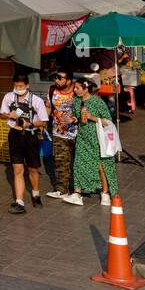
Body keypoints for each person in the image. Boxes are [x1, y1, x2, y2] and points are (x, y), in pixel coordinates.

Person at [0, 73, 49, 214]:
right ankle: (19, 202)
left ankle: (35, 194)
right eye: (15, 86)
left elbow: (44, 121)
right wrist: (9, 115)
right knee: (17, 169)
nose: (18, 88)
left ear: (27, 85)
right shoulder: (8, 97)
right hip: (14, 134)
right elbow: (1, 114)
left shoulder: (37, 100)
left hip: (30, 136)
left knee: (33, 169)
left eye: (21, 86)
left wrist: (30, 123)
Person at [71, 77, 118, 205]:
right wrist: (75, 119)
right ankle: (77, 193)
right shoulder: (76, 101)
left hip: (97, 138)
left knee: (100, 166)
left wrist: (92, 117)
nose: (75, 90)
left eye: (77, 88)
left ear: (86, 89)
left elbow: (107, 121)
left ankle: (105, 193)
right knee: (78, 164)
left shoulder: (98, 102)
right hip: (82, 137)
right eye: (74, 88)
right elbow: (78, 117)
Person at [44, 71, 80, 203]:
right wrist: (42, 121)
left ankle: (78, 190)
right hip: (58, 132)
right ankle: (62, 190)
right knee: (60, 161)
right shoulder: (52, 90)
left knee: (78, 161)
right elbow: (48, 107)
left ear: (69, 80)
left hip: (78, 133)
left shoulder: (77, 89)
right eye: (55, 77)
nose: (56, 80)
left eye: (60, 78)